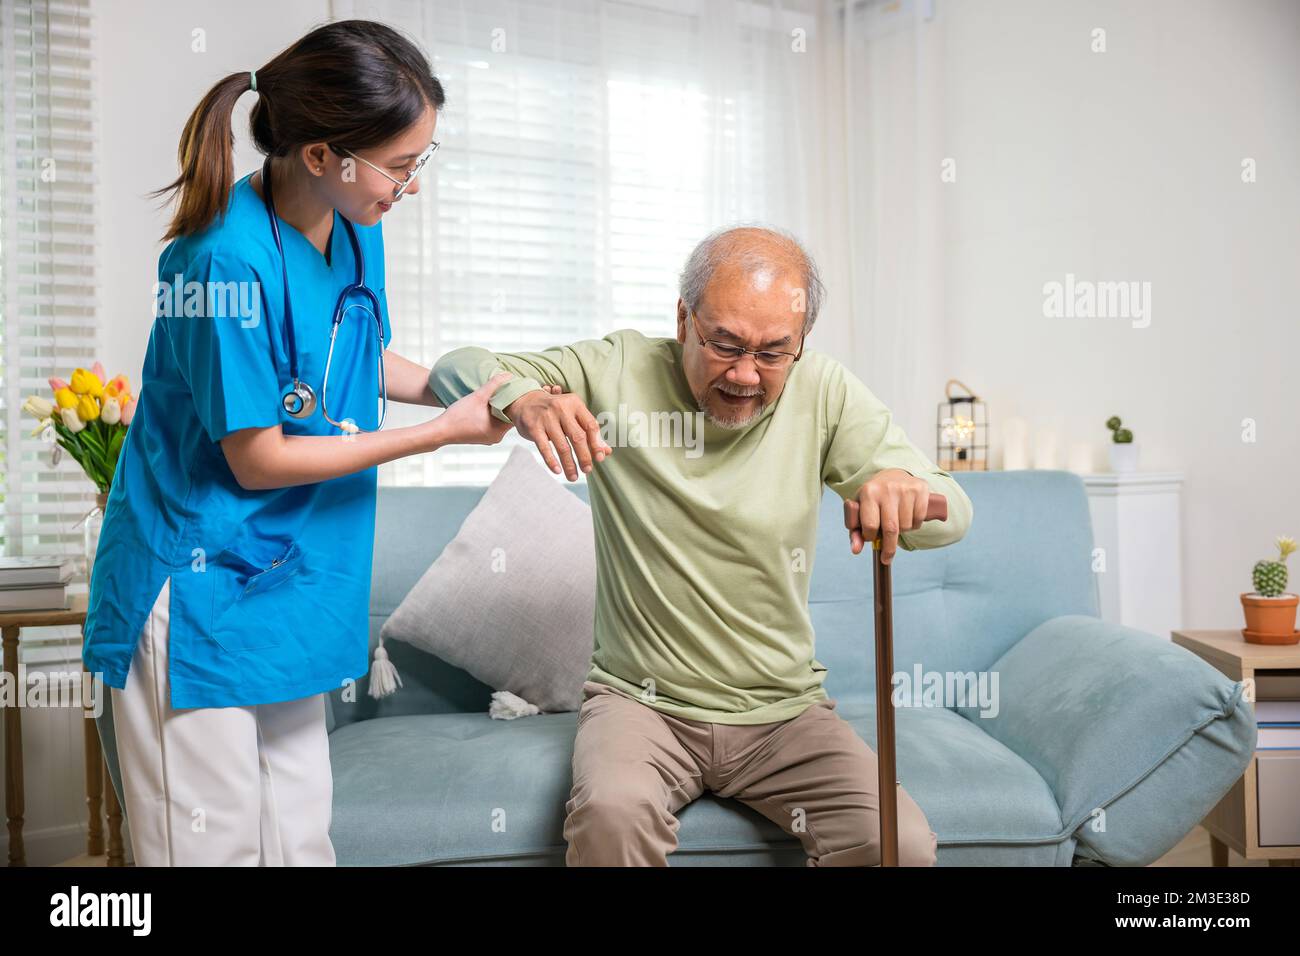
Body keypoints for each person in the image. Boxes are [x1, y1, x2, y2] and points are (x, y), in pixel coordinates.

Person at [82, 20, 546, 866]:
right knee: (211, 846)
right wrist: (439, 435)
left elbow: (352, 357)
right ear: (325, 153)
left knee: (299, 840)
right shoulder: (221, 261)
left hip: (292, 583)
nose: (409, 186)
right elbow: (256, 458)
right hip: (200, 589)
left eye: (419, 162)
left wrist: (459, 384)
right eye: (401, 166)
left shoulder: (355, 222)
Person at [429, 225, 974, 866]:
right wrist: (523, 400)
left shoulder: (823, 391)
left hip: (783, 713)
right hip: (642, 705)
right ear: (684, 319)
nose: (746, 374)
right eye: (726, 344)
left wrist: (902, 488)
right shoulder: (618, 370)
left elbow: (952, 512)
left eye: (774, 352)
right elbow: (455, 369)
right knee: (611, 815)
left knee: (899, 845)